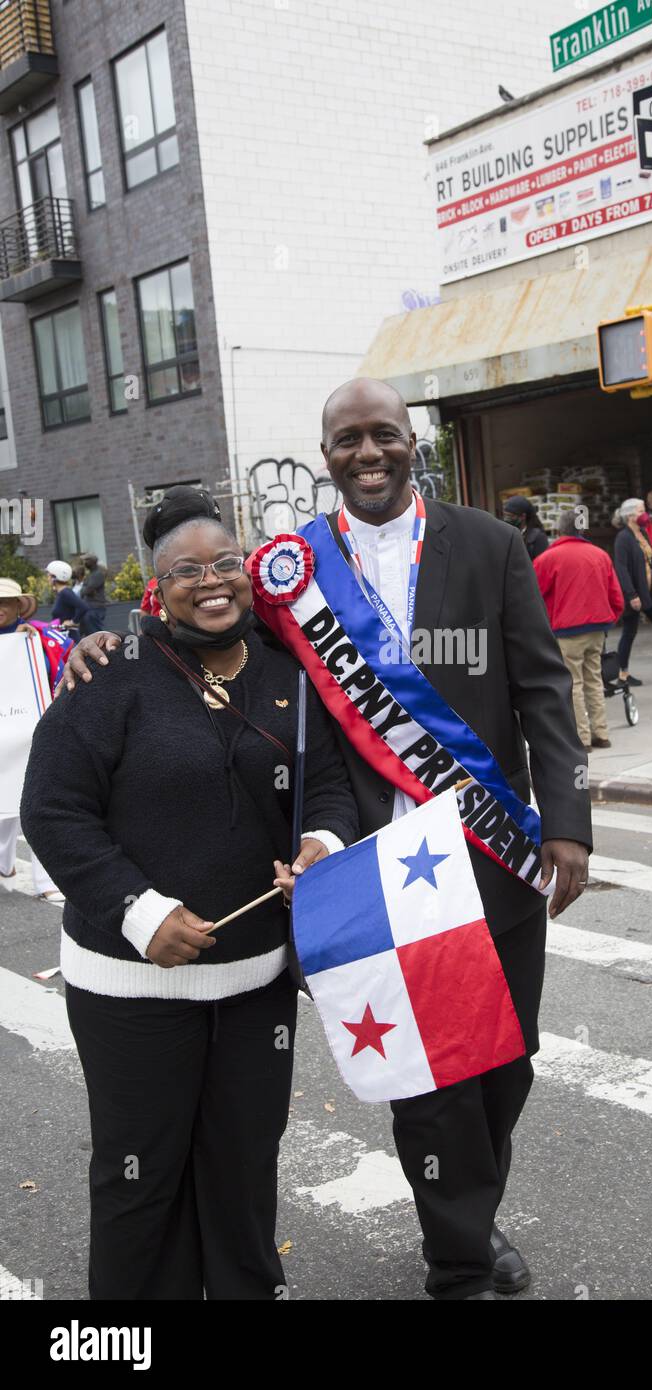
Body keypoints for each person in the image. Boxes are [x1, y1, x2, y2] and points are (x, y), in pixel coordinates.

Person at [67, 378, 592, 1303]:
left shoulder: (490, 544)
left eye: (384, 434)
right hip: (367, 874)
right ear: (326, 456)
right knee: (430, 1075)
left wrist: (572, 825)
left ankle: (473, 1209)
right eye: (348, 440)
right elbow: (205, 629)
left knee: (504, 1062)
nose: (368, 453)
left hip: (491, 851)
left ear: (412, 443)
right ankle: (460, 1252)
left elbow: (543, 692)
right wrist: (105, 643)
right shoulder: (288, 571)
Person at [22, 488, 359, 1300]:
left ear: (249, 572)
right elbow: (53, 810)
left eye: (224, 564)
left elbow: (329, 788)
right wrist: (140, 914)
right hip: (132, 990)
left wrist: (321, 845)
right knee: (142, 1181)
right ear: (156, 586)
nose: (210, 582)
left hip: (254, 989)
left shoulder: (288, 673)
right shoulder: (110, 677)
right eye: (185, 571)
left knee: (244, 1169)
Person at [0, 578, 72, 902]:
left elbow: (64, 666)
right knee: (4, 806)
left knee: (37, 803)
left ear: (19, 607)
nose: (0, 609)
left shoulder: (41, 639)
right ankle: (4, 864)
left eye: (6, 602)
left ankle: (46, 879)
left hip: (35, 732)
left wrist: (36, 640)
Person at [533, 510, 624, 748]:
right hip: (596, 628)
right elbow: (616, 595)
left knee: (573, 683)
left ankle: (582, 738)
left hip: (566, 630)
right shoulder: (600, 555)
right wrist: (609, 618)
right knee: (594, 679)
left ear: (560, 529)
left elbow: (534, 596)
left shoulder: (548, 558)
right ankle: (601, 734)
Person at [613, 497, 652, 685]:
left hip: (651, 591)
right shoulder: (623, 538)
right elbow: (621, 568)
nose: (645, 515)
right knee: (629, 632)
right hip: (635, 592)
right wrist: (631, 594)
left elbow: (650, 561)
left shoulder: (643, 533)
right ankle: (622, 673)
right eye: (641, 511)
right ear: (630, 516)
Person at [46, 560, 97, 636]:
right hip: (63, 635)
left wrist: (73, 622)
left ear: (54, 577)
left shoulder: (65, 593)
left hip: (69, 637)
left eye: (49, 575)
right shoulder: (61, 593)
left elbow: (83, 607)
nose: (47, 578)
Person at [502, 495, 549, 559]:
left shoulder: (538, 537)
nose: (507, 519)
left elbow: (542, 563)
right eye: (505, 515)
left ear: (523, 516)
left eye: (511, 516)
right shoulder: (506, 534)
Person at [80, 553, 107, 629]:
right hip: (89, 607)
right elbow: (83, 590)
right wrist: (84, 589)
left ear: (93, 561)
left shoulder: (98, 574)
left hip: (96, 608)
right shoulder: (90, 574)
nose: (85, 563)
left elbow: (87, 590)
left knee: (96, 632)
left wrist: (84, 589)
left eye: (87, 560)